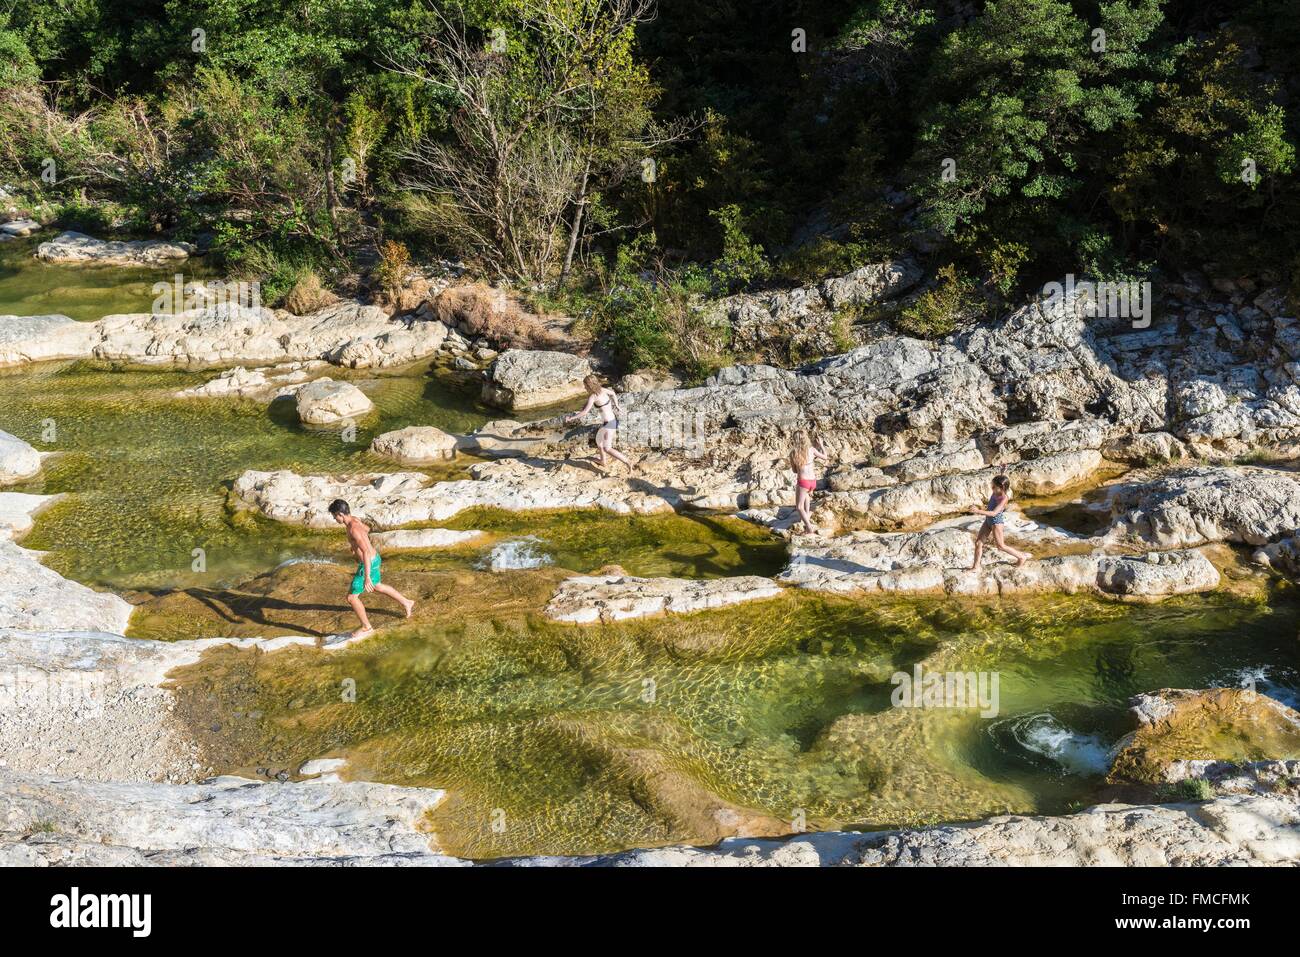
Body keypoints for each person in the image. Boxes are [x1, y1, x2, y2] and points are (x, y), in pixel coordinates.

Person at [328, 498, 414, 638]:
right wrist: (355, 546)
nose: (334, 519)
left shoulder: (353, 528)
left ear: (340, 514)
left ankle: (366, 627)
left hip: (369, 563)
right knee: (377, 586)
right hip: (374, 559)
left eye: (334, 516)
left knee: (351, 597)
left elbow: (366, 551)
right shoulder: (354, 520)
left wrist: (367, 576)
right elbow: (366, 530)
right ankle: (407, 602)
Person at [565, 375, 633, 472]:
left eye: (585, 386)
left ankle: (627, 462)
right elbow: (613, 393)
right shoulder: (603, 390)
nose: (585, 388)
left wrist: (571, 418)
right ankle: (603, 461)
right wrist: (616, 405)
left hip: (609, 425)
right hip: (611, 422)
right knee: (599, 441)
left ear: (590, 386)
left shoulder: (593, 397)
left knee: (607, 448)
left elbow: (584, 412)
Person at [969, 474, 1031, 569]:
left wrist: (977, 511)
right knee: (978, 543)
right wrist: (1002, 471)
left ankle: (1021, 557)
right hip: (988, 521)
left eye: (994, 486)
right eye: (992, 485)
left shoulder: (1003, 498)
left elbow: (994, 513)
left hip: (996, 523)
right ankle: (975, 567)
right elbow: (1002, 480)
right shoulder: (997, 490)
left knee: (1001, 546)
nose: (992, 488)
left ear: (1002, 488)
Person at [789, 430, 828, 534]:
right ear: (805, 438)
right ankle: (806, 515)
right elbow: (825, 457)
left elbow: (794, 471)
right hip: (813, 482)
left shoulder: (793, 453)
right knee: (806, 495)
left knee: (799, 507)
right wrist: (821, 445)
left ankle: (809, 527)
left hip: (803, 482)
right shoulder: (812, 449)